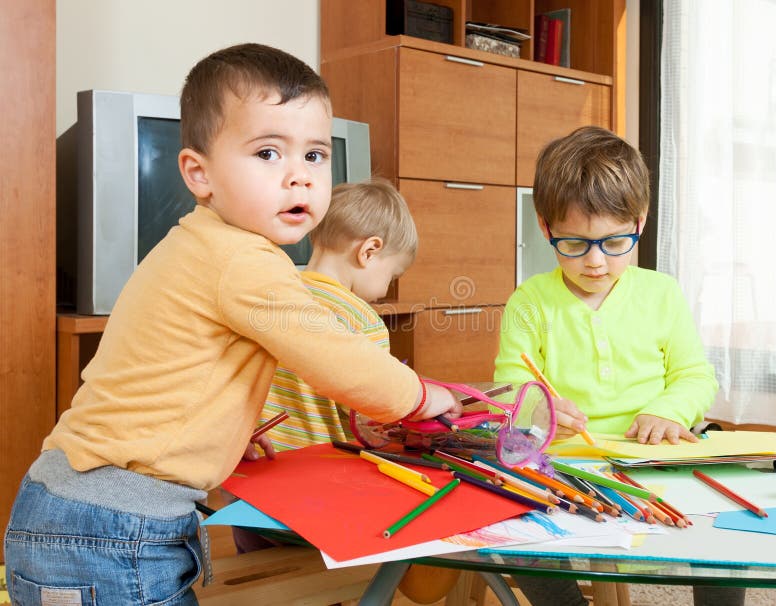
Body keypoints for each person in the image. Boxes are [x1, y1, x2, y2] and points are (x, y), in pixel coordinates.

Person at [3, 43, 460, 605]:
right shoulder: (243, 261)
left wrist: (226, 435)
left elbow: (169, 380)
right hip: (111, 530)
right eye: (268, 153)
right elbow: (336, 356)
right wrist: (420, 397)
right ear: (200, 174)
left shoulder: (198, 247)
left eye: (315, 155)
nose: (298, 177)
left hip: (81, 513)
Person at [494, 126, 744, 606]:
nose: (595, 262)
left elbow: (695, 375)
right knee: (513, 517)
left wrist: (668, 411)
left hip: (654, 457)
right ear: (545, 228)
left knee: (726, 524)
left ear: (640, 222)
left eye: (614, 243)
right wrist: (538, 409)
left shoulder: (661, 293)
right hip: (565, 461)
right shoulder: (529, 301)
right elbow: (511, 385)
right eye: (574, 244)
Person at [231, 176, 418, 552]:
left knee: (258, 571)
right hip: (314, 493)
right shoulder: (363, 321)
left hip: (246, 483)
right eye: (392, 275)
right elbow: (372, 416)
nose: (386, 289)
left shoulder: (272, 296)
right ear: (369, 251)